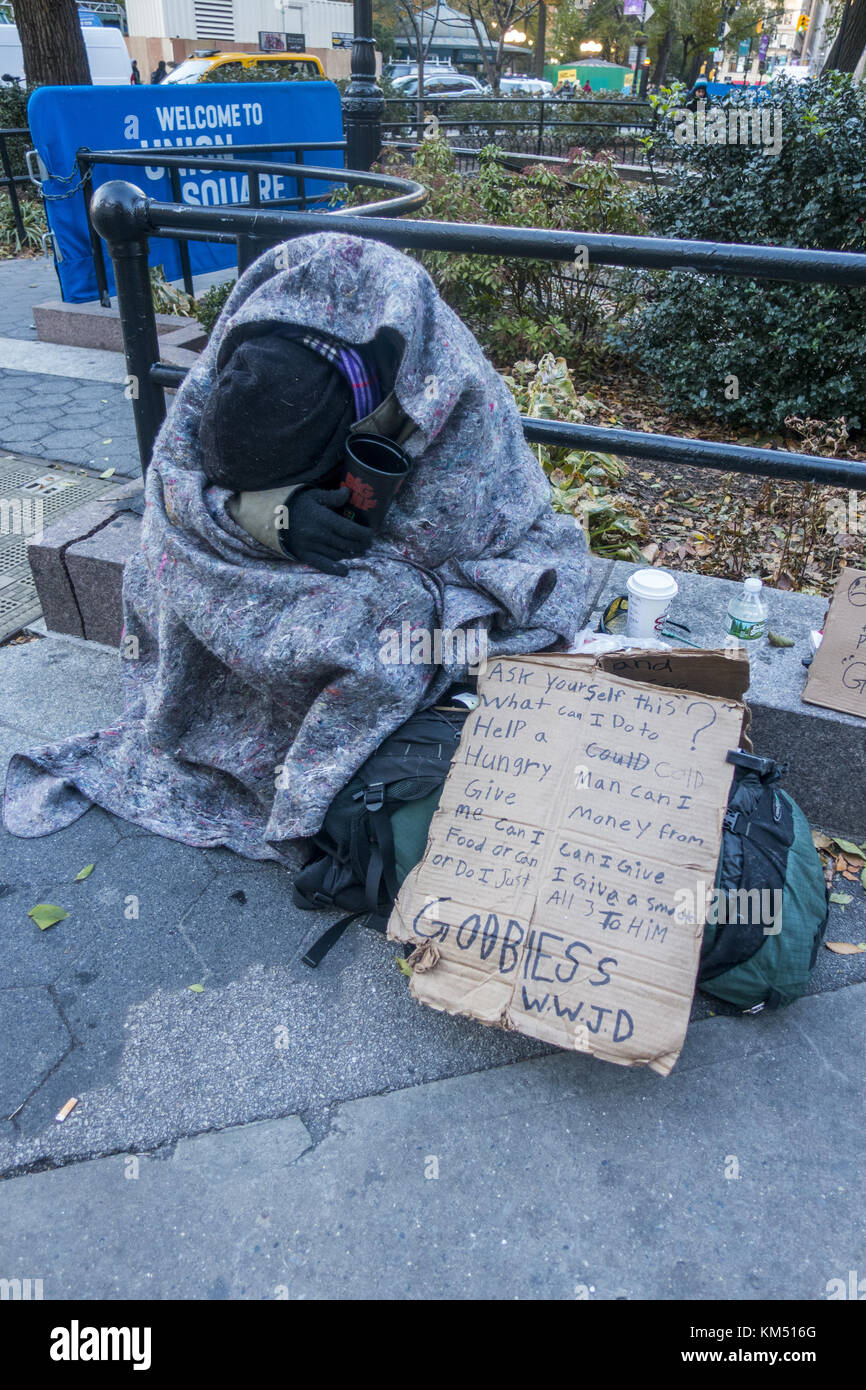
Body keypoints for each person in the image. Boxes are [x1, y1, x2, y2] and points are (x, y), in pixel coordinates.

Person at [3, 235, 593, 861]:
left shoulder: (450, 389)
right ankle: (214, 718)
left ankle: (306, 762)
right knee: (160, 564)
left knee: (379, 630)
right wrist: (270, 513)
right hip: (282, 523)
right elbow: (170, 483)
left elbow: (439, 545)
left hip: (436, 546)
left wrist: (342, 515)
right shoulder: (251, 340)